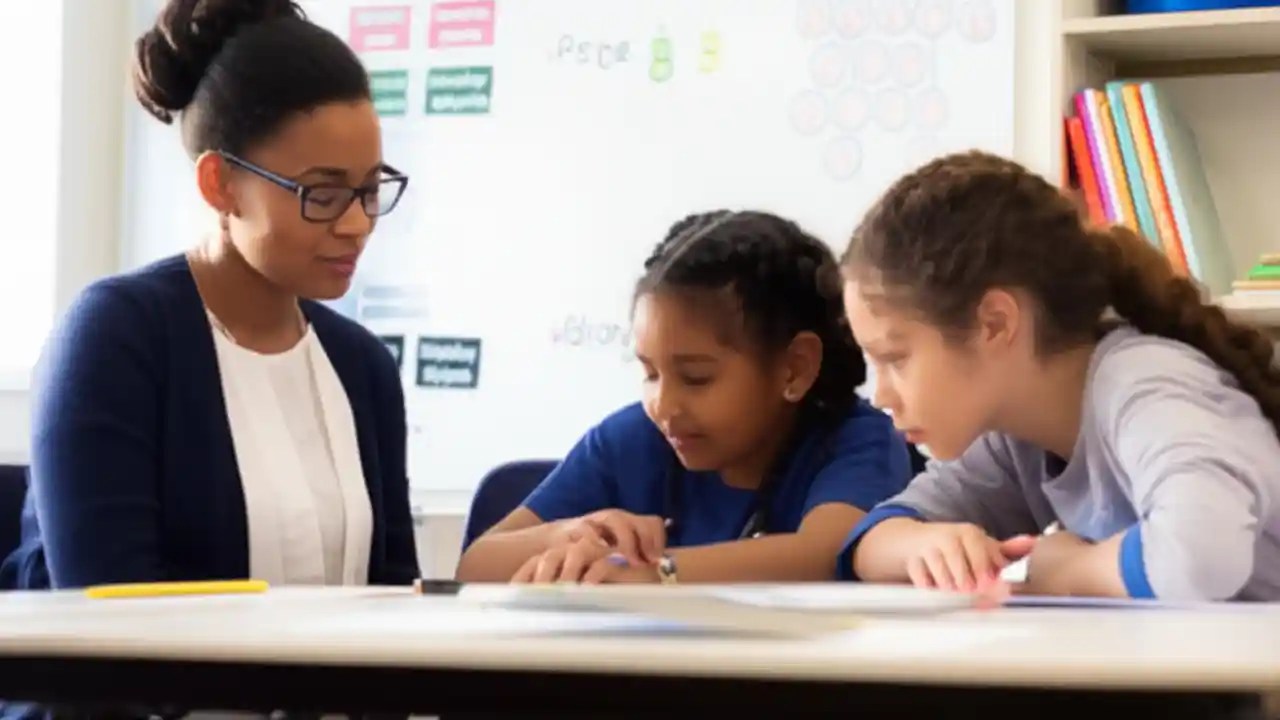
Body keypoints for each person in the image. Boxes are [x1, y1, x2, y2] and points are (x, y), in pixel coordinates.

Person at [0, 0, 419, 591]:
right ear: (219, 183)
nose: (357, 224)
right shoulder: (115, 339)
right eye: (321, 195)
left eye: (370, 189)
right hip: (130, 657)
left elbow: (394, 596)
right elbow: (106, 609)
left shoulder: (361, 366)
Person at [837, 150, 1280, 602]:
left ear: (995, 324)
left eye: (895, 359)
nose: (881, 395)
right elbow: (866, 547)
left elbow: (1202, 555)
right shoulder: (1014, 439)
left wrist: (1067, 571)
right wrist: (920, 544)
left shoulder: (1144, 384)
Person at [455, 210, 913, 584]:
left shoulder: (856, 440)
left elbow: (827, 555)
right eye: (650, 373)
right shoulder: (631, 440)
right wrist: (567, 535)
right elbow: (475, 565)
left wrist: (653, 573)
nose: (663, 405)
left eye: (696, 378)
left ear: (794, 368)